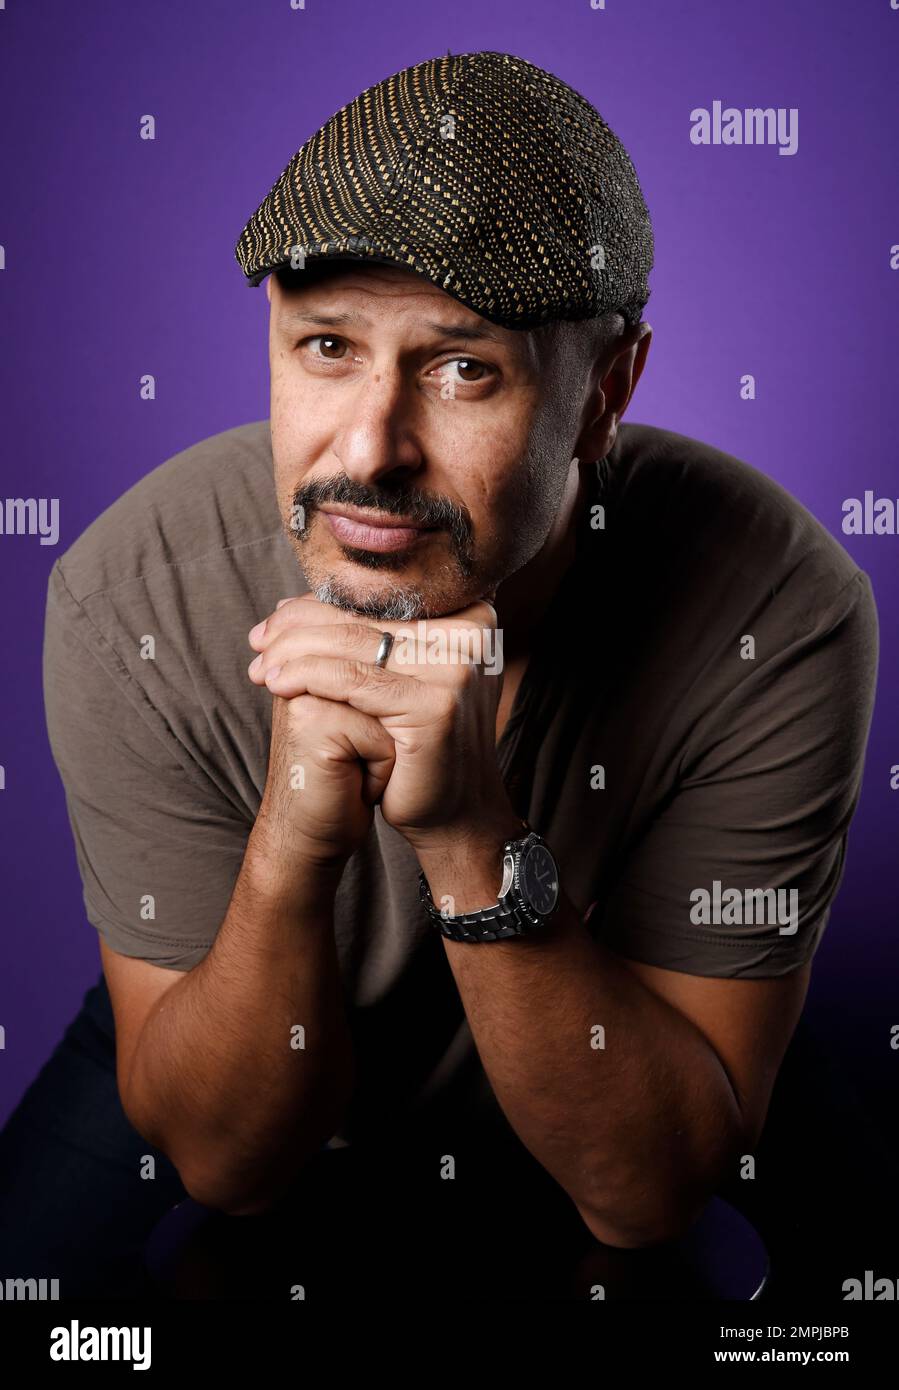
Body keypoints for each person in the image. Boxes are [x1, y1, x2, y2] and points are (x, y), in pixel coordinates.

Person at [0, 50, 878, 1300]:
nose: (368, 450)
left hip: (634, 1011)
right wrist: (290, 847)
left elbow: (641, 1198)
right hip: (221, 989)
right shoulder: (129, 595)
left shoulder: (778, 608)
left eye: (463, 368)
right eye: (324, 346)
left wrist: (470, 835)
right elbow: (227, 1170)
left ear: (603, 393)